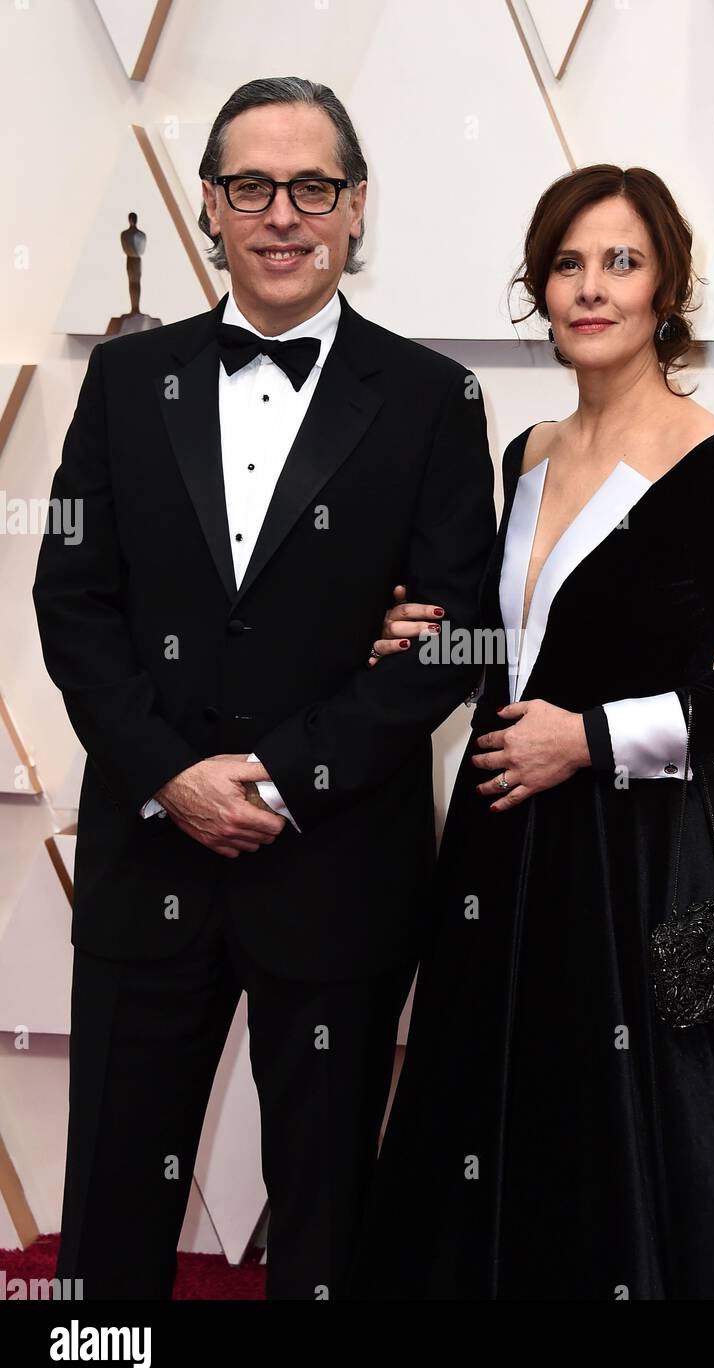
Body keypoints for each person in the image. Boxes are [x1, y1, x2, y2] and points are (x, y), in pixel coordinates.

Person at [347, 165, 714, 1299]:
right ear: (539, 287)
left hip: (661, 862)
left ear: (668, 288)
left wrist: (594, 739)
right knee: (492, 1119)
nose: (591, 287)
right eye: (567, 263)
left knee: (690, 1139)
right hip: (501, 855)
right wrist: (422, 639)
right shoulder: (521, 456)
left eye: (621, 261)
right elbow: (513, 648)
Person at [31, 77, 495, 1300]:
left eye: (312, 187)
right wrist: (170, 775)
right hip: (151, 850)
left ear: (354, 211)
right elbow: (69, 597)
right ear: (209, 212)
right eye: (251, 186)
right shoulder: (125, 385)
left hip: (338, 862)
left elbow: (460, 641)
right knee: (113, 1197)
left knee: (328, 1212)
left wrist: (287, 778)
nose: (282, 214)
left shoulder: (435, 398)